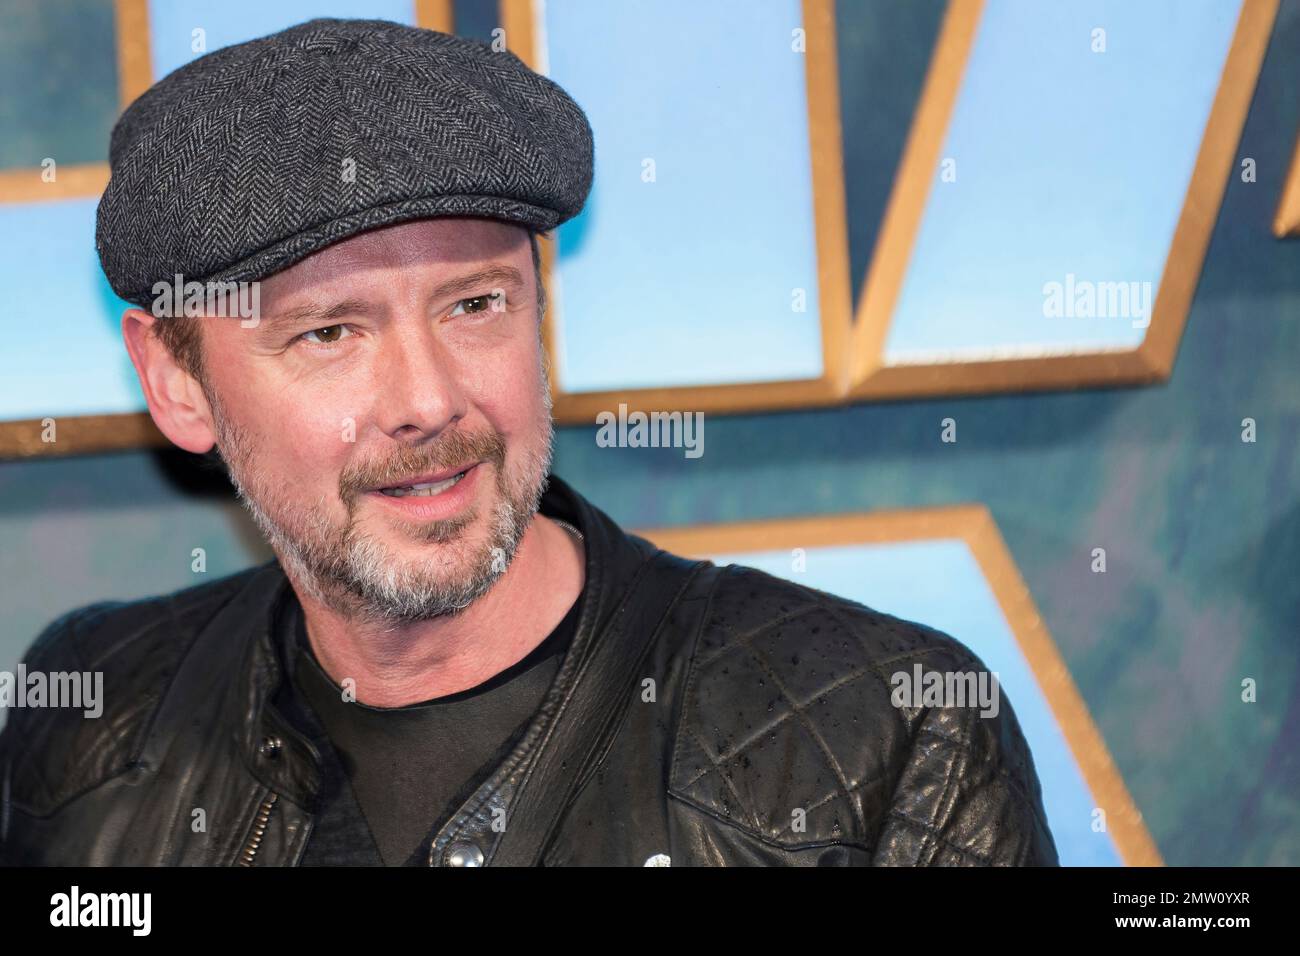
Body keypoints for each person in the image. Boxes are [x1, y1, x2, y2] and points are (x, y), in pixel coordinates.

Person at [0, 18, 1058, 866]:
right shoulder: (90, 715)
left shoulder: (881, 736)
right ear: (176, 382)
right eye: (330, 332)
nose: (427, 400)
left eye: (474, 305)